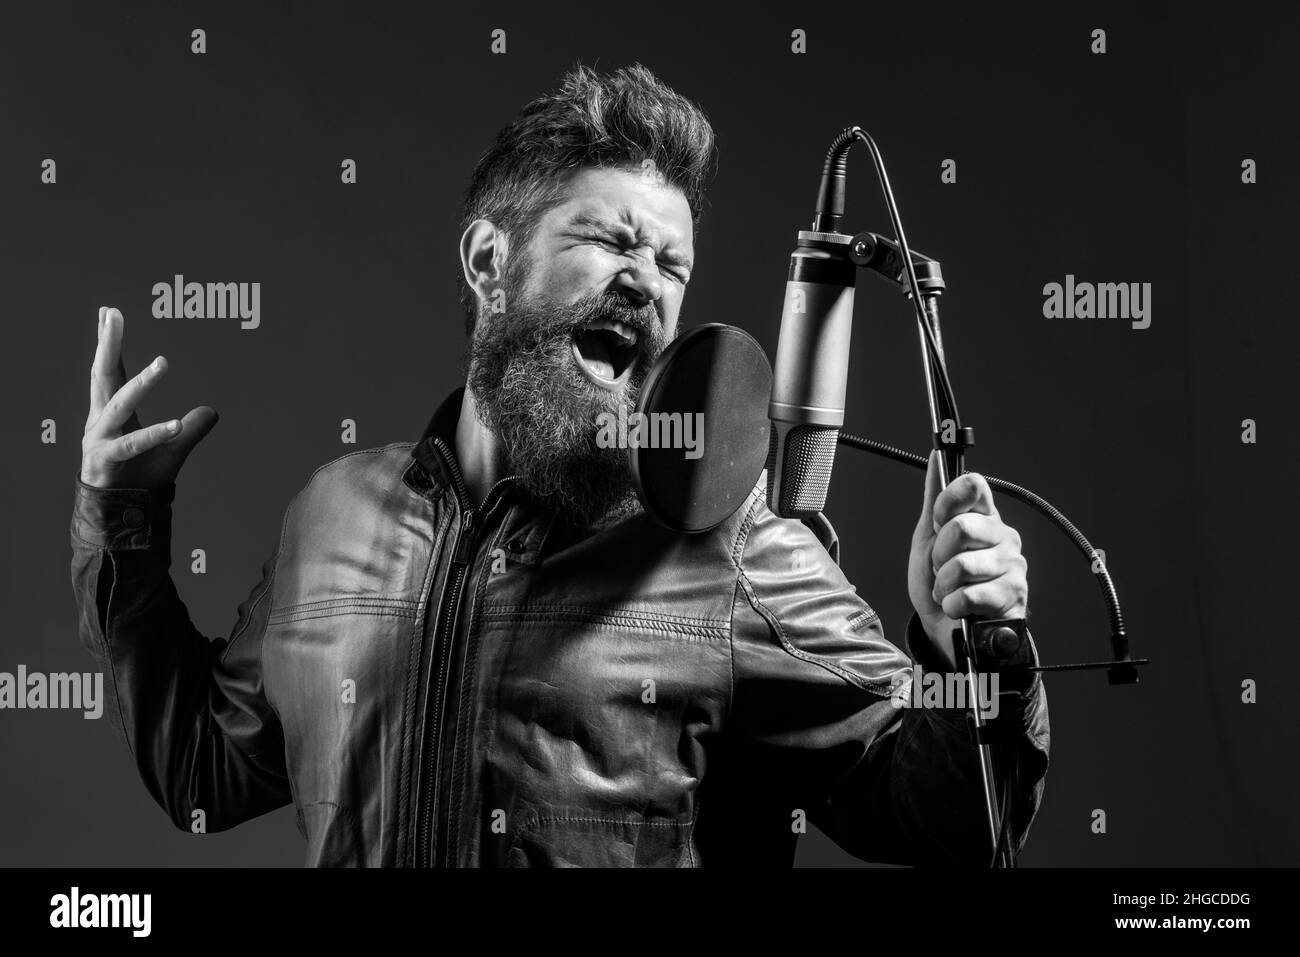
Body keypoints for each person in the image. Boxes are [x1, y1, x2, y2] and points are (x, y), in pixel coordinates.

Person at [71, 63, 1048, 867]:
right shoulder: (333, 513)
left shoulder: (732, 543)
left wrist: (971, 646)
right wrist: (122, 527)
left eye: (672, 265)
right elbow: (207, 772)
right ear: (490, 263)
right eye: (610, 240)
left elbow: (947, 821)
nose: (647, 282)